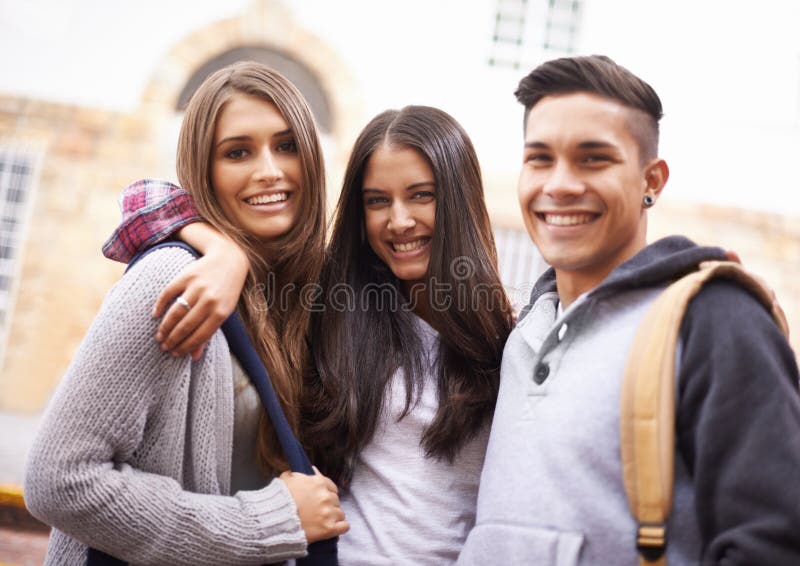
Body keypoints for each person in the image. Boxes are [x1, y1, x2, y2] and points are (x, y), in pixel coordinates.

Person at [99, 105, 514, 564]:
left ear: (458, 198)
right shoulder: (334, 306)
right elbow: (142, 200)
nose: (399, 221)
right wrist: (222, 251)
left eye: (421, 195)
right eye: (377, 201)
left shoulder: (509, 340)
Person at [456, 55, 800, 565]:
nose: (560, 184)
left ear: (652, 181)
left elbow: (774, 540)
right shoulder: (525, 331)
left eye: (593, 159)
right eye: (540, 158)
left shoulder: (714, 319)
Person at [24, 62, 348, 565]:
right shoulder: (177, 279)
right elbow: (59, 480)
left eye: (287, 145)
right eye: (237, 152)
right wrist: (269, 523)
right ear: (205, 169)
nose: (269, 169)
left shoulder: (297, 296)